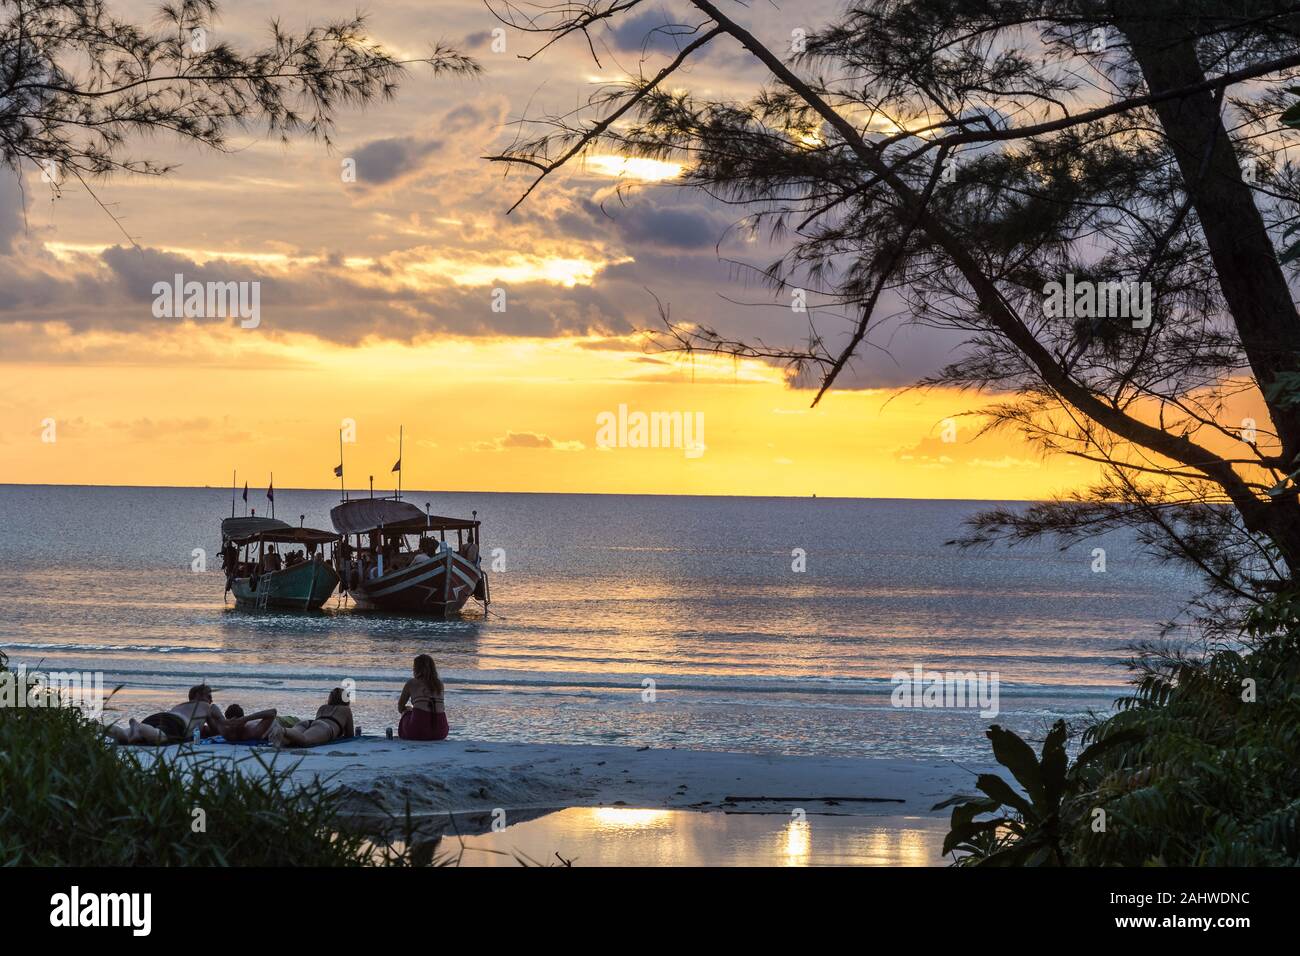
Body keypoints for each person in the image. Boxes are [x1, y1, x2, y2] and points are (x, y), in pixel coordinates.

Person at [104, 684, 225, 745]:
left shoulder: (179, 706)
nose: (211, 700)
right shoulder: (206, 706)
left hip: (159, 717)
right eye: (209, 696)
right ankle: (139, 727)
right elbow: (218, 730)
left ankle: (104, 728)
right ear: (198, 695)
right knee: (160, 736)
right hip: (176, 723)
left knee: (126, 736)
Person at [397, 654, 449, 741]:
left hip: (418, 732)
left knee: (407, 710)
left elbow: (400, 707)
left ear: (416, 669)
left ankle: (406, 732)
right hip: (441, 732)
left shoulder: (412, 683)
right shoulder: (439, 684)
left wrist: (409, 710)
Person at [280, 688, 354, 747]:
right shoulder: (346, 710)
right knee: (305, 740)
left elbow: (315, 726)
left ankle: (283, 730)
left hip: (308, 723)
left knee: (288, 741)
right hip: (325, 727)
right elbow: (350, 734)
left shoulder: (323, 707)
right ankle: (282, 730)